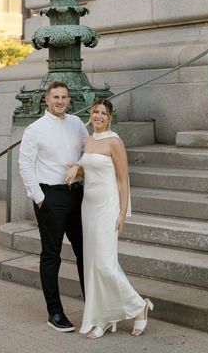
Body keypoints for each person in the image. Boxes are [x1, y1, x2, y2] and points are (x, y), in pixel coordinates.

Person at [66, 98, 154, 339]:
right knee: (93, 265)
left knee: (105, 264)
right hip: (89, 206)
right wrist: (77, 168)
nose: (98, 116)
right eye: (95, 112)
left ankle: (138, 307)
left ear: (110, 117)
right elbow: (89, 167)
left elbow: (124, 180)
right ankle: (102, 319)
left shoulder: (114, 142)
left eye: (103, 113)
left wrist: (123, 213)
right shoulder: (89, 140)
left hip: (108, 206)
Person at [18, 81, 88, 332]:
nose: (60, 101)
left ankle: (92, 306)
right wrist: (40, 198)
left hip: (77, 195)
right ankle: (55, 313)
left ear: (69, 100)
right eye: (56, 97)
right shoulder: (34, 130)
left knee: (85, 252)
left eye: (65, 97)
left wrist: (79, 166)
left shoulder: (77, 124)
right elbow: (25, 166)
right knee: (51, 256)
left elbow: (88, 151)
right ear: (47, 100)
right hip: (50, 198)